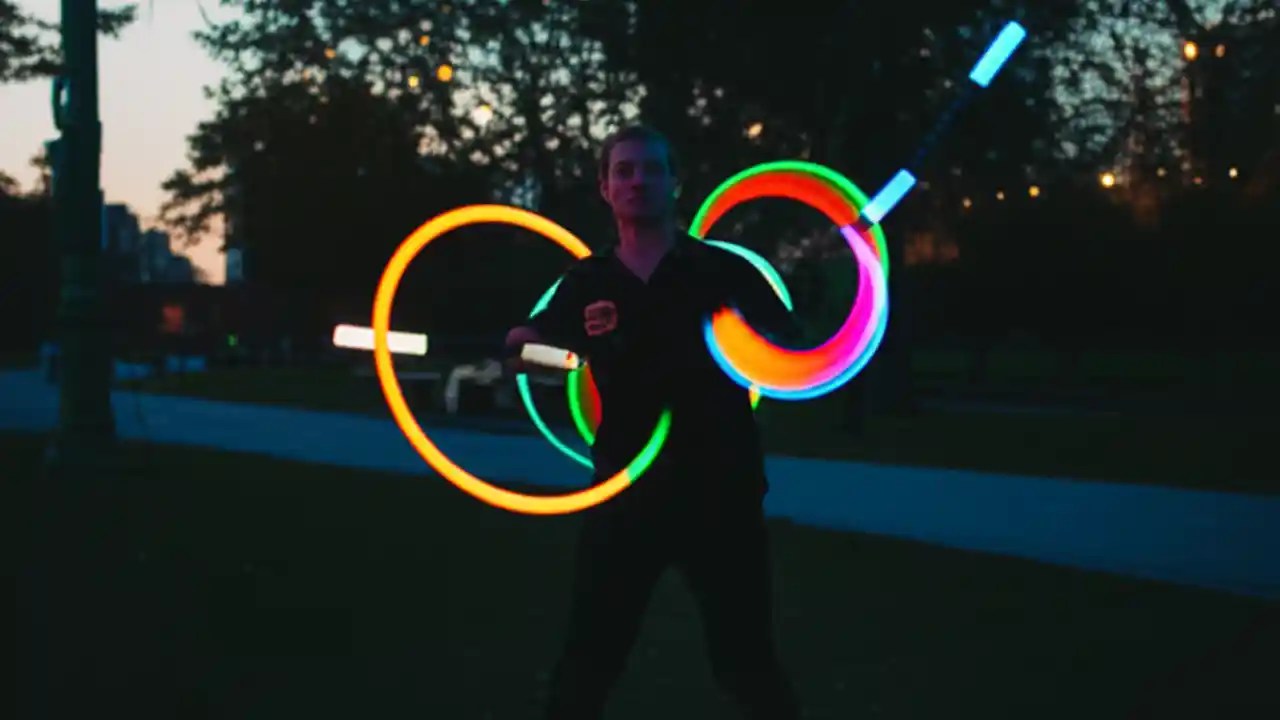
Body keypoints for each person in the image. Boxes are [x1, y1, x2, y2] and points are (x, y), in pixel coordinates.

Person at [505, 125, 802, 720]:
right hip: (624, 494)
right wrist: (543, 349)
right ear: (605, 189)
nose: (638, 180)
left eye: (651, 169)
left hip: (722, 493)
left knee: (747, 660)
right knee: (589, 657)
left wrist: (764, 340)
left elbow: (793, 349)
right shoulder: (587, 281)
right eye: (625, 171)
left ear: (675, 183)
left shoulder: (721, 271)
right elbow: (521, 345)